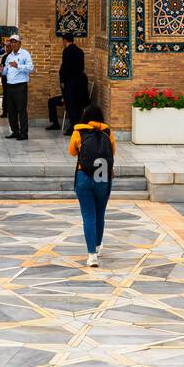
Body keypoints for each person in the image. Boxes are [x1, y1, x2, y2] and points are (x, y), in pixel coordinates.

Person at [69, 103, 115, 267]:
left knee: (88, 216)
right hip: (102, 175)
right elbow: (112, 152)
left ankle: (91, 256)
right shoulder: (107, 132)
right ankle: (97, 245)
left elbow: (72, 152)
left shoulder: (78, 132)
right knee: (99, 214)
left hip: (83, 175)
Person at [46, 32, 89, 133]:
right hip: (79, 84)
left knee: (71, 105)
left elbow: (65, 67)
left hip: (70, 83)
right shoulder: (80, 51)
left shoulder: (67, 51)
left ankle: (73, 127)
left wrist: (62, 81)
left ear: (65, 40)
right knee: (73, 105)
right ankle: (75, 126)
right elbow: (81, 67)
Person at [0, 33, 34, 140]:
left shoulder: (25, 54)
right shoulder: (9, 56)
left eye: (15, 42)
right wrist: (2, 71)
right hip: (10, 86)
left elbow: (31, 68)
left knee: (21, 110)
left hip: (20, 86)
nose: (12, 44)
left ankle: (24, 133)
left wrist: (18, 65)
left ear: (19, 43)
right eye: (11, 42)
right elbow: (6, 71)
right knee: (11, 111)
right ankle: (15, 131)